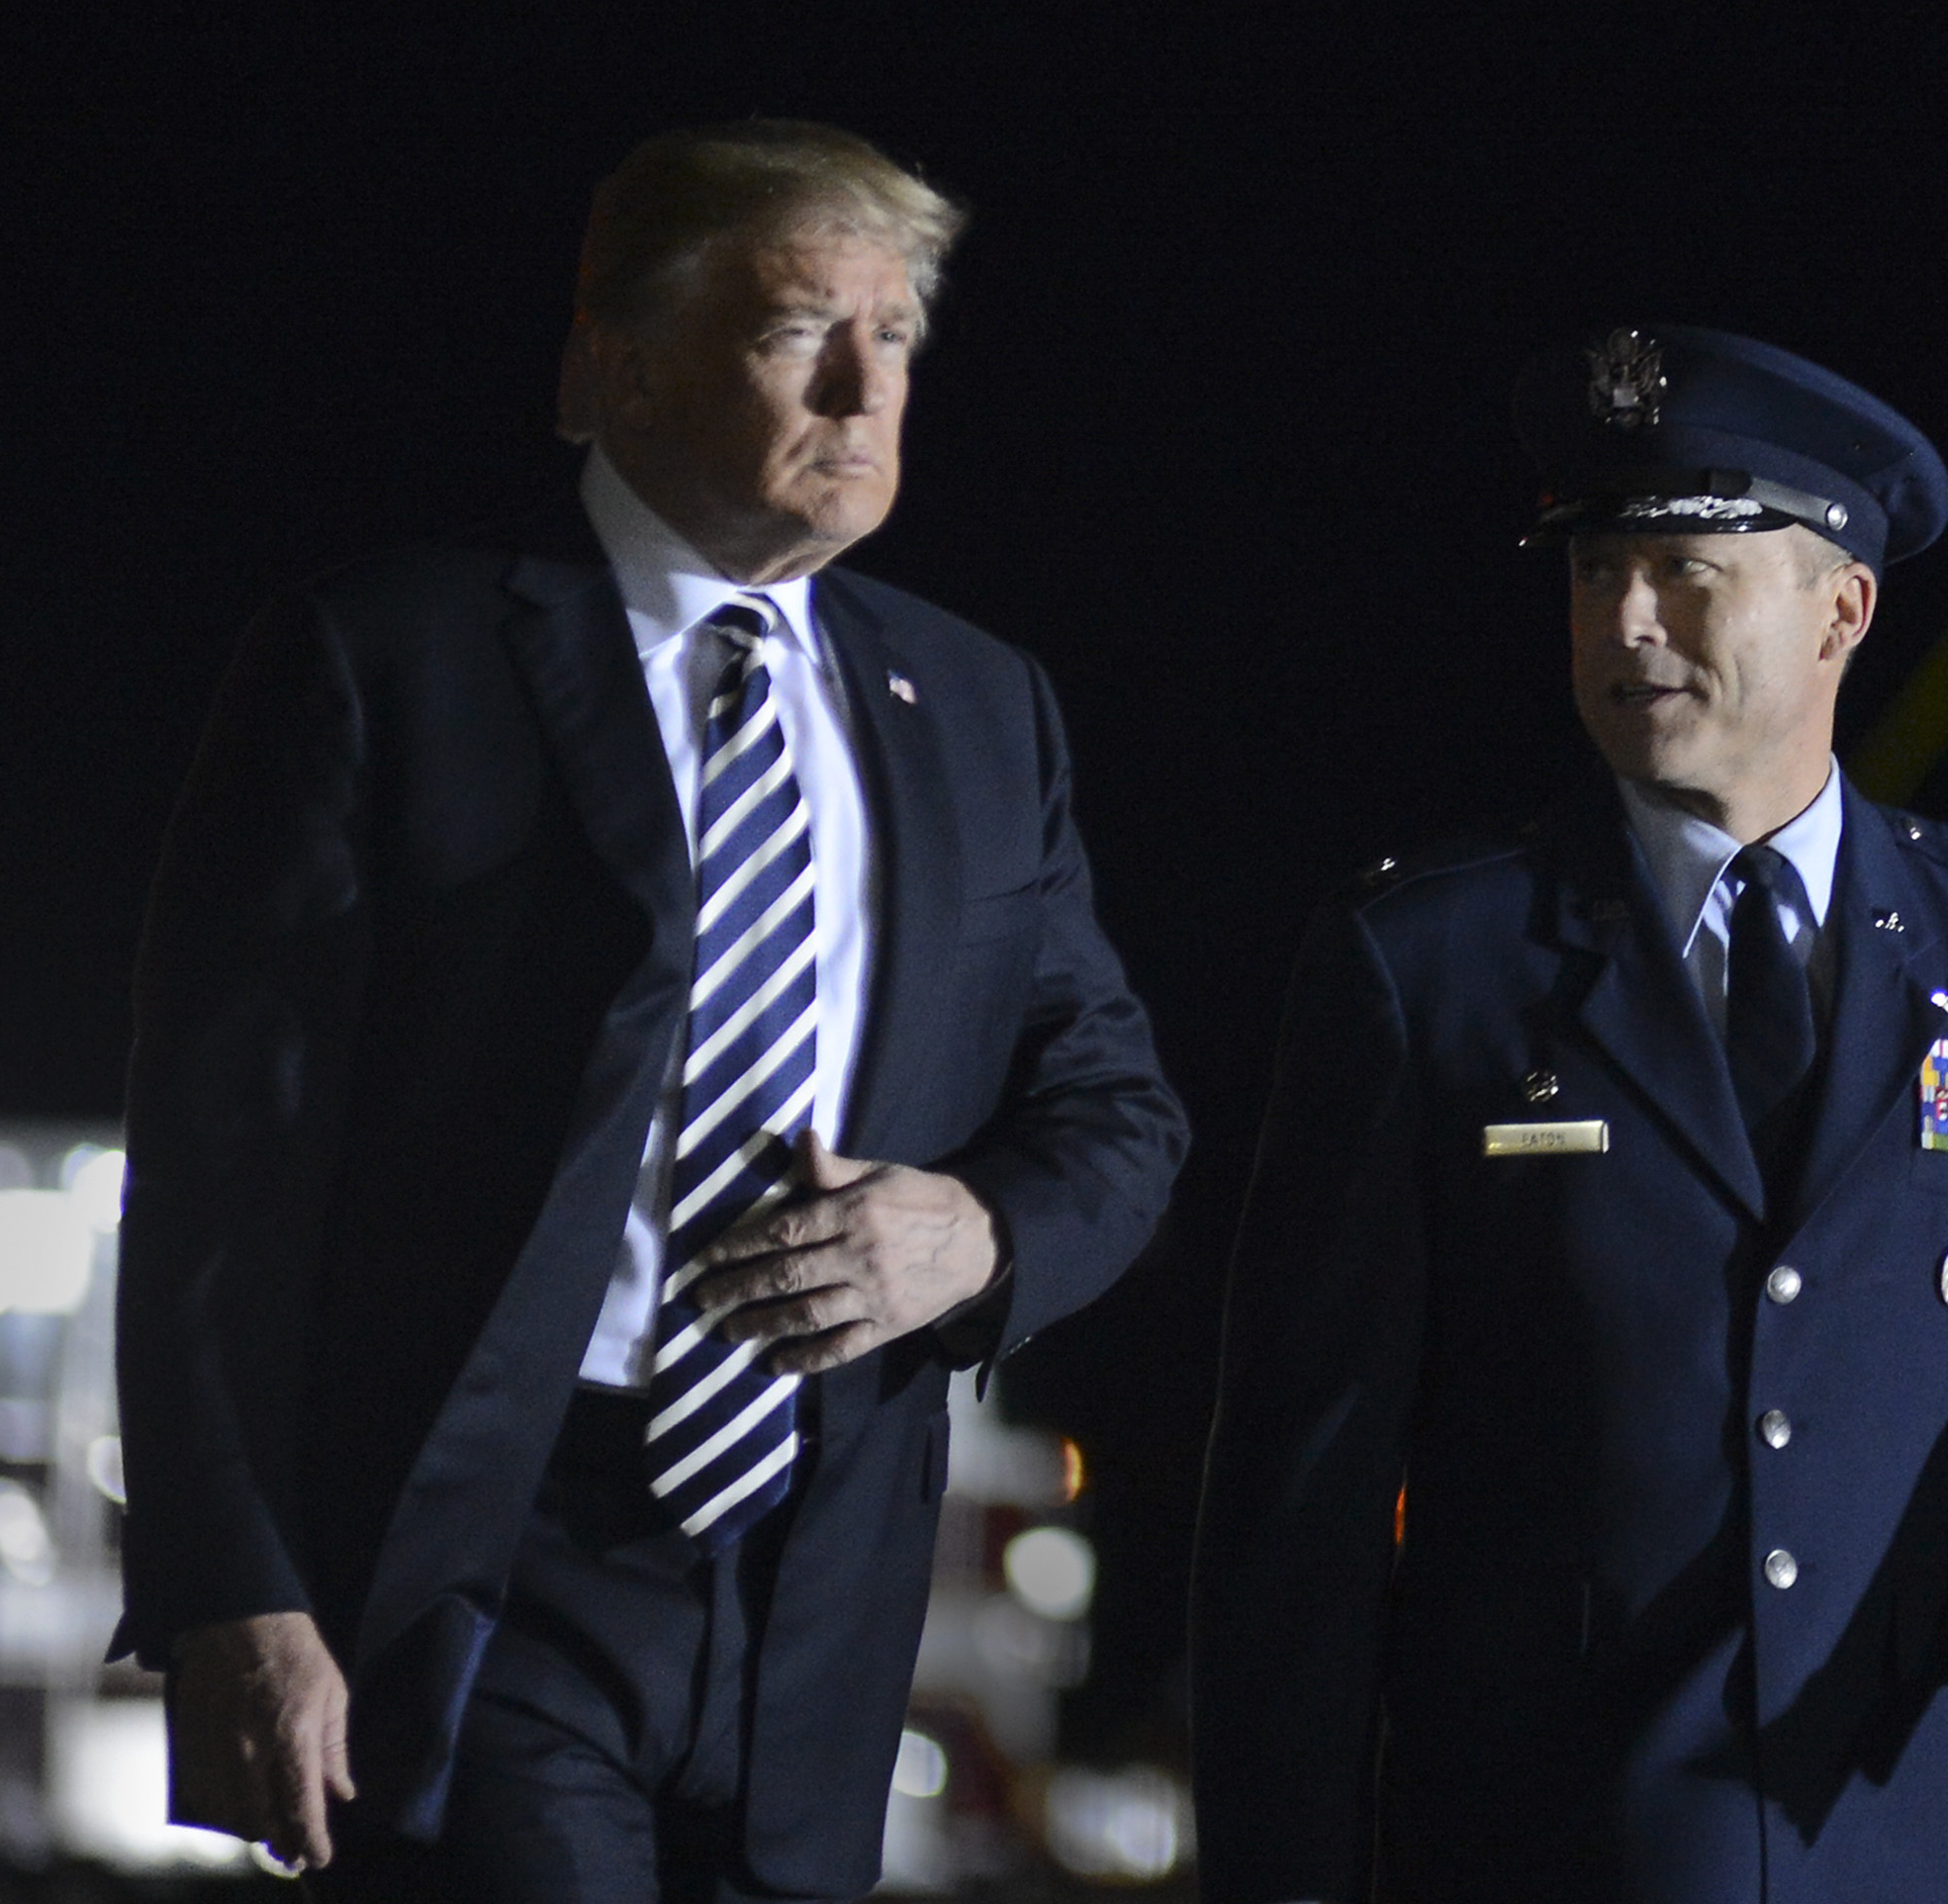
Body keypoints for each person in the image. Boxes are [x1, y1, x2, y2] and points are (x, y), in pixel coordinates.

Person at [1188, 325, 1948, 1903]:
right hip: (1533, 1831)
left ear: (1844, 607)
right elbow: (1307, 1489)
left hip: (1871, 1820)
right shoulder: (1432, 959)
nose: (1626, 620)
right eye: (1591, 572)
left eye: (1688, 570)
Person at [118, 121, 1188, 1902]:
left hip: (824, 1598)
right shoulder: (390, 661)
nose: (862, 389)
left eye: (898, 340)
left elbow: (1120, 1112)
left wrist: (980, 1236)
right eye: (794, 333)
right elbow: (224, 1175)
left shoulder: (986, 713)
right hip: (493, 1564)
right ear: (613, 364)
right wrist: (236, 1587)